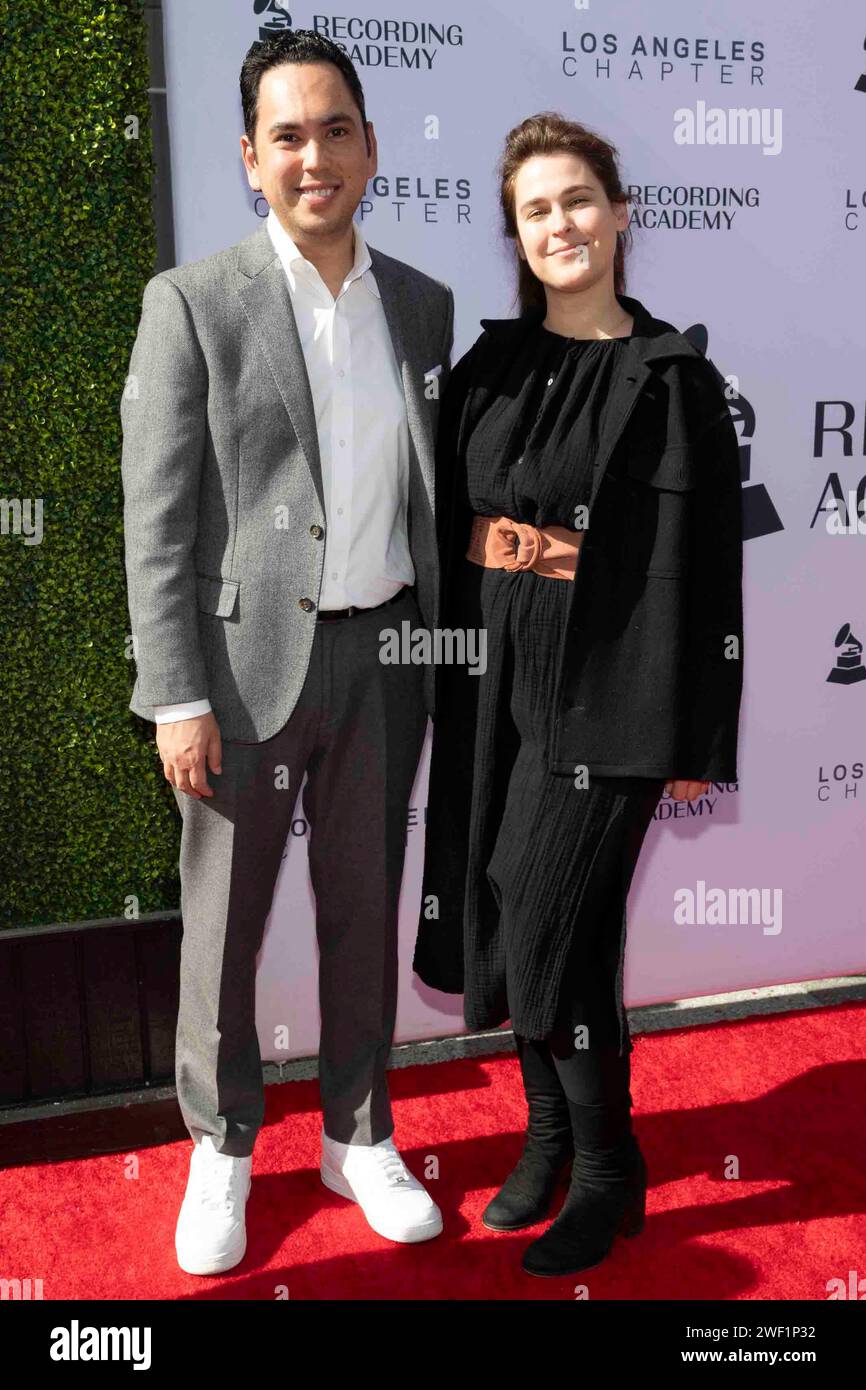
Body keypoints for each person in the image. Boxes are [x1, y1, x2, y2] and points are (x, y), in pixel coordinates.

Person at [120, 29, 453, 1275]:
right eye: (287, 136)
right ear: (250, 159)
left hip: (386, 658)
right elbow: (156, 519)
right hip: (242, 673)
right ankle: (222, 1144)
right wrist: (174, 695)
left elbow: (424, 489)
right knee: (225, 922)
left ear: (368, 145)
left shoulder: (420, 301)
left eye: (335, 130)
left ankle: (357, 1132)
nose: (314, 156)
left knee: (363, 904)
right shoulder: (192, 303)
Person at [414, 112, 744, 1278]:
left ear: (617, 211)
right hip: (497, 672)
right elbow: (452, 533)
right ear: (514, 229)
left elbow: (712, 566)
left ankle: (608, 1169)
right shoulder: (487, 369)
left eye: (576, 199)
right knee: (529, 922)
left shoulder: (673, 378)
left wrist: (703, 730)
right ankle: (550, 1134)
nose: (558, 222)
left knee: (540, 910)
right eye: (534, 207)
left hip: (612, 690)